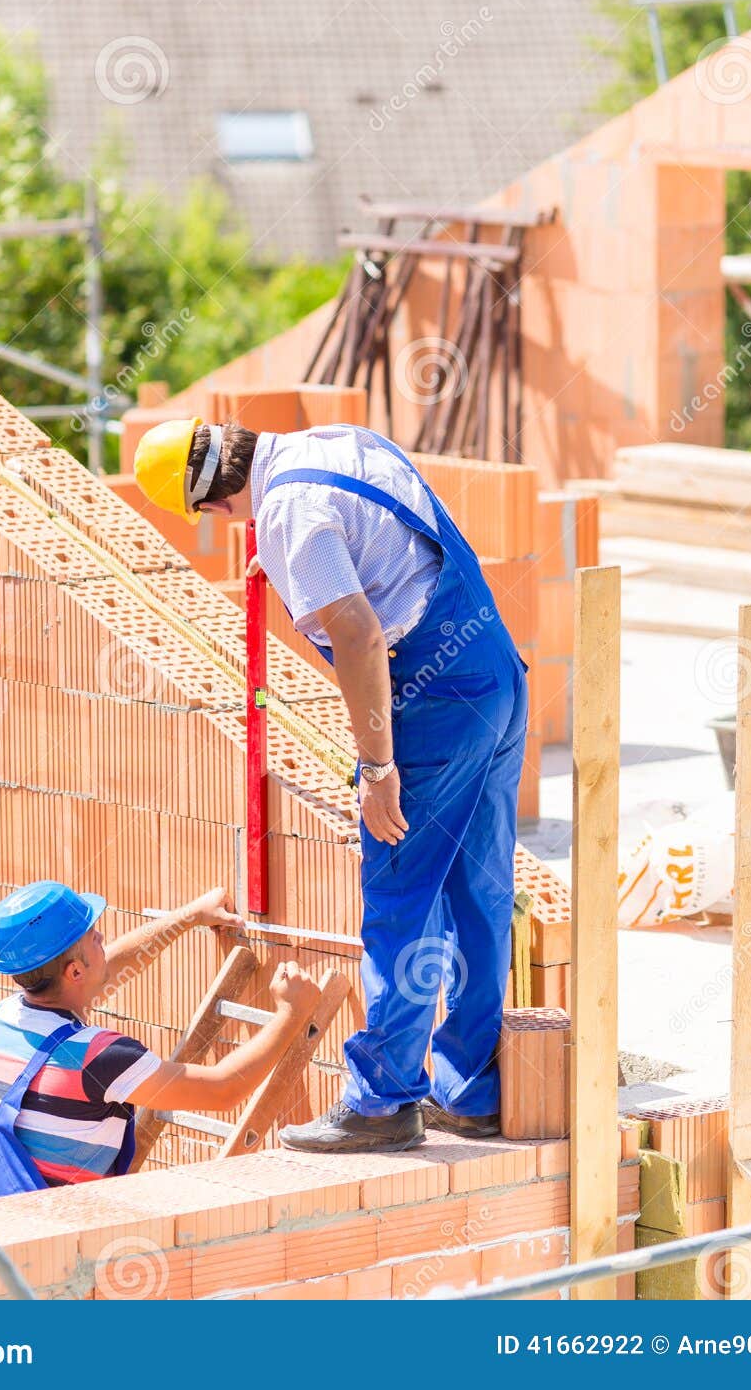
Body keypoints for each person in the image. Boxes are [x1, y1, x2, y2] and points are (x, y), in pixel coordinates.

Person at [133, 417, 528, 1153]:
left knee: (401, 896)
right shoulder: (336, 444)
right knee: (478, 886)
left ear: (215, 506)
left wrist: (378, 769)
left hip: (432, 703)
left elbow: (360, 636)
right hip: (494, 673)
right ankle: (471, 1091)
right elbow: (384, 542)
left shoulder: (287, 515)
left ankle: (383, 1102)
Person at [0, 878, 318, 1198]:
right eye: (95, 937)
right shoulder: (100, 1057)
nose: (103, 939)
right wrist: (291, 1013)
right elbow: (223, 1088)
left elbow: (106, 968)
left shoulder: (2, 1020)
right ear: (75, 971)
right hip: (60, 1246)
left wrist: (189, 916)